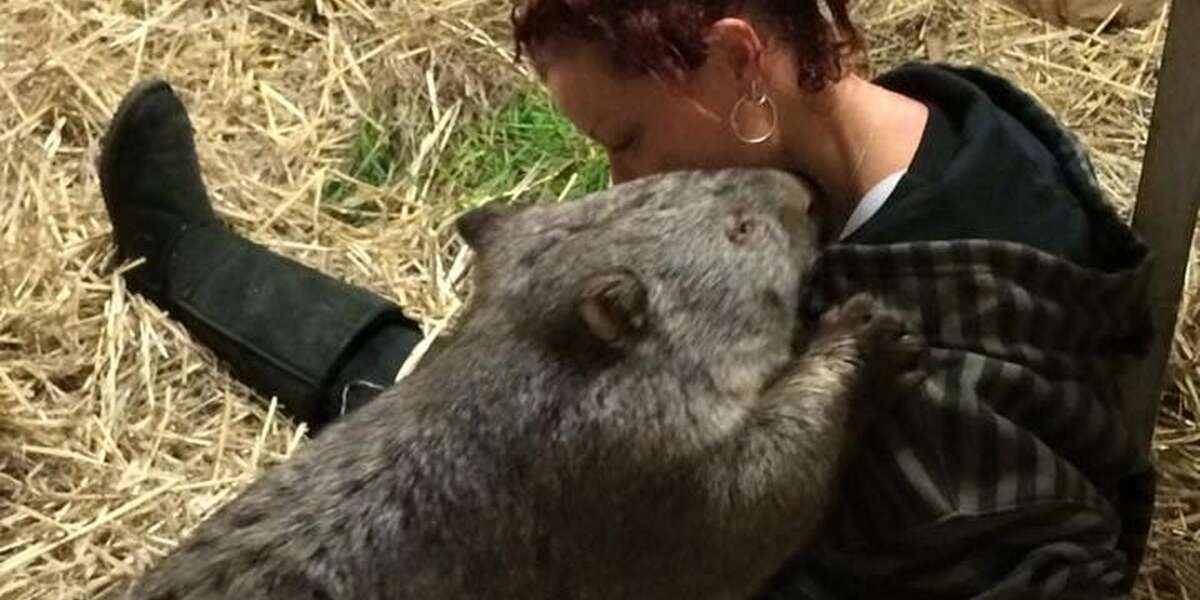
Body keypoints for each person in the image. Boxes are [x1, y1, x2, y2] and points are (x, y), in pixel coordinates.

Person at [97, 0, 1156, 597]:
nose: (619, 181)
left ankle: (185, 258)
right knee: (450, 393)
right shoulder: (933, 124)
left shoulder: (959, 365)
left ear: (739, 58)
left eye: (629, 137)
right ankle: (185, 257)